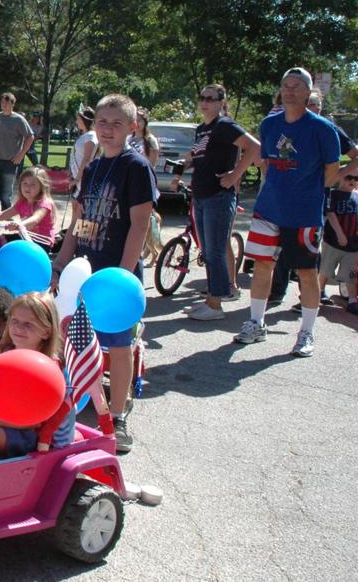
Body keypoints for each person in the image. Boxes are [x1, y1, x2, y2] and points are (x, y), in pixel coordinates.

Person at [52, 94, 156, 454]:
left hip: (116, 275)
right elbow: (80, 221)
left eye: (116, 123)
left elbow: (139, 225)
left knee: (119, 344)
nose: (108, 129)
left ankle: (118, 414)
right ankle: (69, 403)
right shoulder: (94, 167)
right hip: (85, 270)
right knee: (72, 337)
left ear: (132, 127)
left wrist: (122, 278)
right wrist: (61, 262)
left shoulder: (136, 167)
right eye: (102, 122)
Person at [236, 68, 358, 358]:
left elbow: (331, 174)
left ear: (308, 91)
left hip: (304, 213)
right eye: (285, 86)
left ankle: (306, 333)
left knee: (306, 272)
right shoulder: (269, 124)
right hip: (268, 210)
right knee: (262, 265)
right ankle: (256, 323)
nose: (289, 91)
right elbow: (266, 162)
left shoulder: (323, 129)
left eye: (296, 86)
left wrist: (311, 185)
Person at [169, 84, 260, 321]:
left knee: (215, 251)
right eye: (202, 97)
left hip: (218, 196)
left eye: (211, 98)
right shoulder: (202, 129)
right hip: (201, 195)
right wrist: (183, 165)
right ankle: (211, 299)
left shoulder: (225, 125)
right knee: (208, 251)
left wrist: (235, 175)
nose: (205, 102)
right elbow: (198, 158)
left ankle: (215, 305)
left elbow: (254, 147)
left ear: (221, 102)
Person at [0, 293, 75, 458]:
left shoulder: (47, 368)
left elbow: (34, 421)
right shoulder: (6, 353)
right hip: (10, 419)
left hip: (41, 437)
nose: (18, 328)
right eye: (15, 321)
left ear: (46, 332)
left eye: (28, 324)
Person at [0, 166, 58, 248]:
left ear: (42, 187)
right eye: (25, 183)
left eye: (33, 185)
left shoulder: (44, 203)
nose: (27, 187)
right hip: (26, 237)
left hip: (42, 241)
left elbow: (36, 219)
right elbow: (2, 215)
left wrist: (19, 224)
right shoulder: (22, 202)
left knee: (13, 248)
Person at [0, 92, 34, 212]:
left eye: (7, 102)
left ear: (12, 104)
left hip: (10, 160)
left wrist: (21, 154)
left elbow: (30, 136)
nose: (4, 105)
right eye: (2, 102)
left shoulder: (19, 119)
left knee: (6, 190)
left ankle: (6, 211)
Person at [321, 172, 358, 314]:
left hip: (353, 245)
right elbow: (330, 214)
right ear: (341, 177)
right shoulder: (333, 194)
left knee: (351, 274)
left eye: (356, 178)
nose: (352, 181)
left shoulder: (356, 196)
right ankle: (318, 292)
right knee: (325, 270)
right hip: (333, 242)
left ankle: (353, 301)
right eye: (349, 177)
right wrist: (339, 234)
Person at [68, 106, 98, 199]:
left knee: (81, 204)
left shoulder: (91, 135)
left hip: (83, 178)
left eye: (78, 119)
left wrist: (77, 179)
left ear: (84, 120)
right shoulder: (84, 135)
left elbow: (86, 159)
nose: (76, 121)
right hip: (78, 176)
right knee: (75, 203)